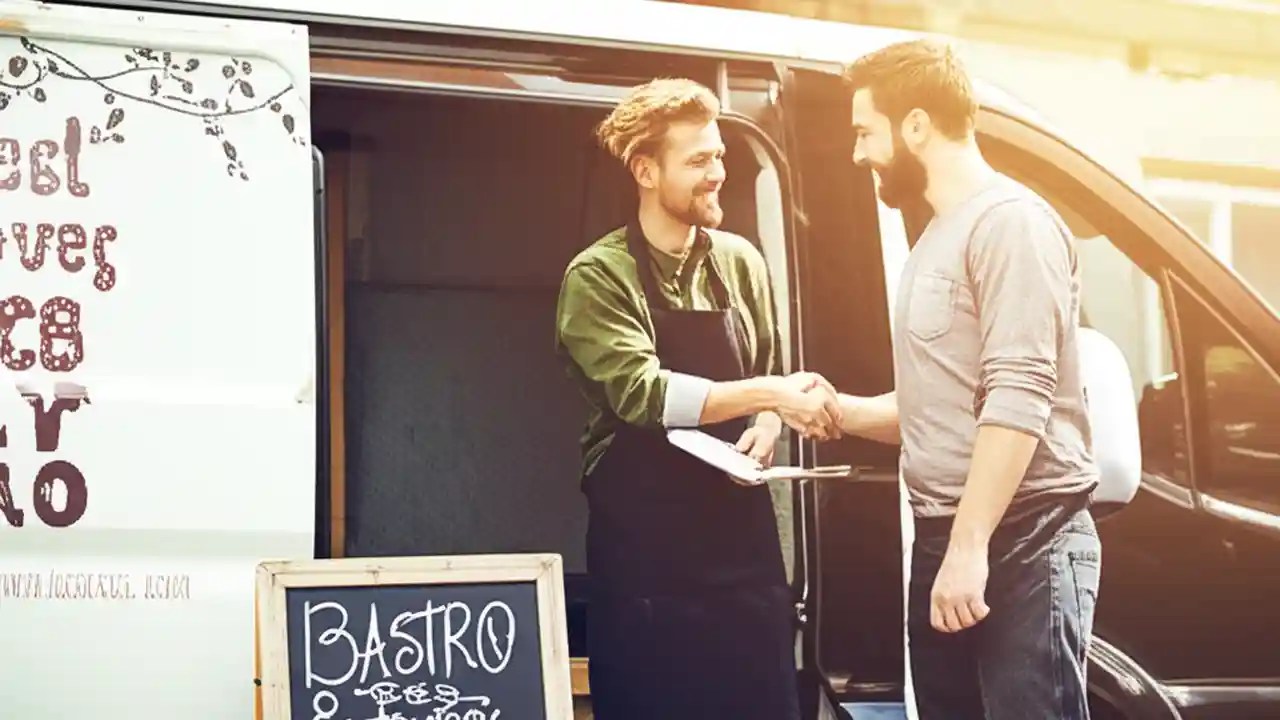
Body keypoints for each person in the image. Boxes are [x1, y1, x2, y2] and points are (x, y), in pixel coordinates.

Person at [830, 40, 1103, 719]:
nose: (859, 152)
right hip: (951, 535)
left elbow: (1017, 396)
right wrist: (835, 411)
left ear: (916, 125)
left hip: (1023, 537)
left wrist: (969, 547)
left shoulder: (1011, 224)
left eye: (866, 131)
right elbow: (940, 404)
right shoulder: (934, 239)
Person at [554, 78, 839, 720]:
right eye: (698, 161)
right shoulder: (598, 277)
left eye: (719, 155)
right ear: (646, 170)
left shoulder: (741, 263)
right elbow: (642, 394)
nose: (717, 173)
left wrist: (768, 420)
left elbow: (770, 369)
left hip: (742, 562)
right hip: (649, 565)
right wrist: (773, 394)